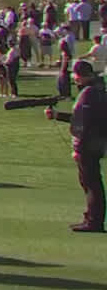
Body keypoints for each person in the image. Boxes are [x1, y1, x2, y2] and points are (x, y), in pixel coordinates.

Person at [45, 60, 107, 232]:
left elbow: (85, 123)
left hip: (88, 145)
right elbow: (81, 118)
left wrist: (79, 148)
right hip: (94, 143)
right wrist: (58, 115)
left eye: (76, 75)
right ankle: (92, 218)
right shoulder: (97, 90)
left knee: (91, 182)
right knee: (90, 182)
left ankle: (94, 221)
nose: (74, 79)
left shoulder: (90, 93)